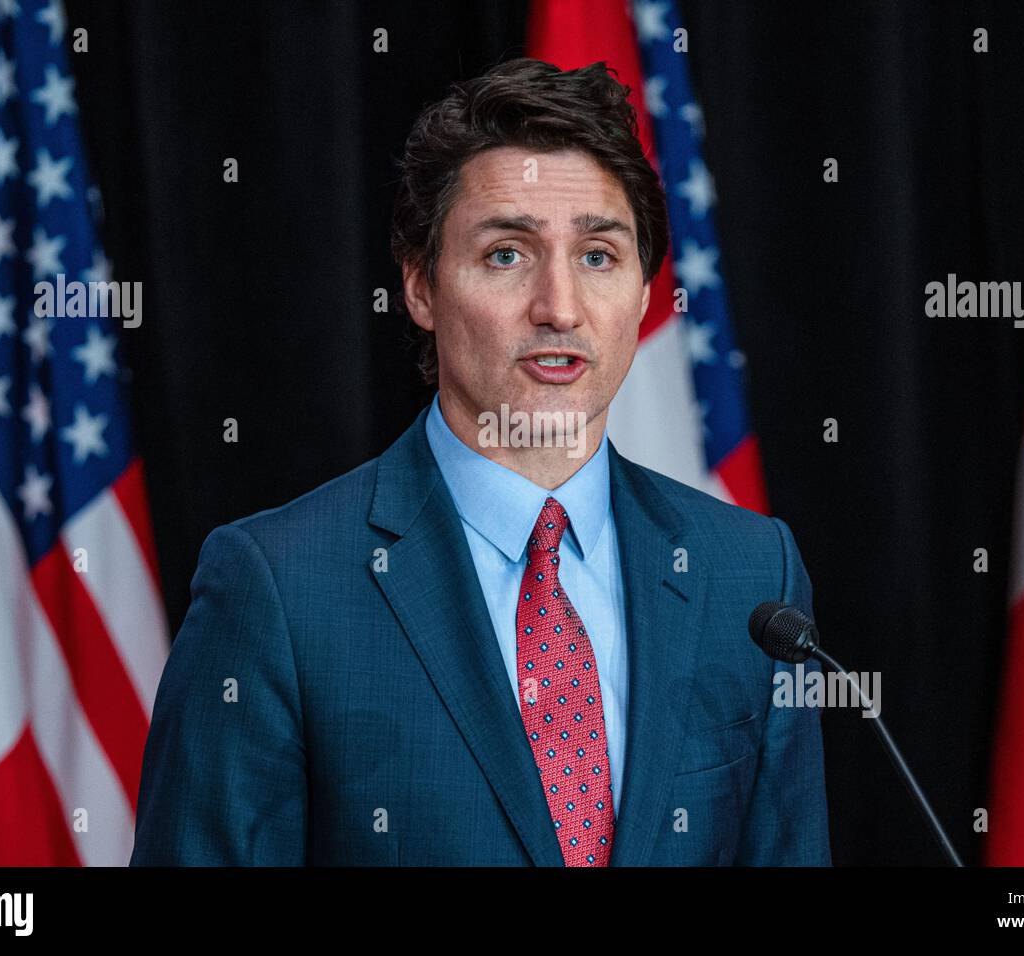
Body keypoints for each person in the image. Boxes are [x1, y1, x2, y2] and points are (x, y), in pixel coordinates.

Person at [130, 57, 830, 866]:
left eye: (598, 256)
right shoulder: (278, 589)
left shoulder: (751, 577)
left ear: (644, 294)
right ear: (421, 286)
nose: (559, 307)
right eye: (507, 254)